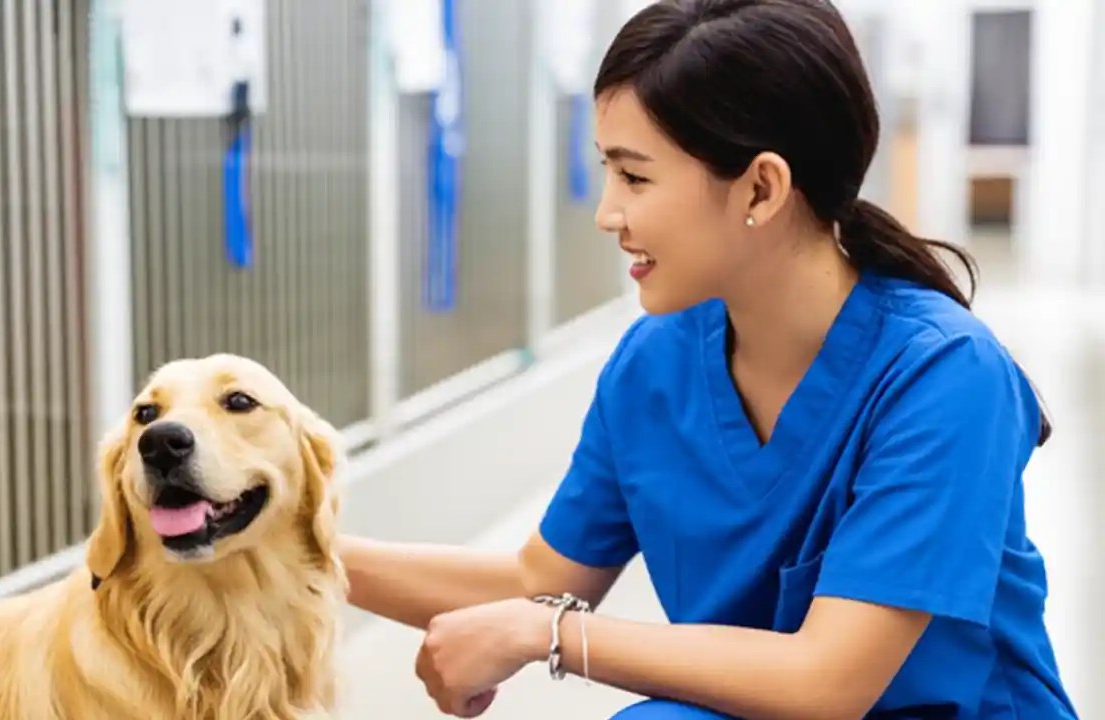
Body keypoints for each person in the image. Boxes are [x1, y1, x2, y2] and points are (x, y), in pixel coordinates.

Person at [340, 1, 1080, 718]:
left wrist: (552, 634)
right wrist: (297, 551)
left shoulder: (944, 376)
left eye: (634, 177)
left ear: (761, 187)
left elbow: (827, 682)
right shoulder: (652, 366)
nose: (607, 213)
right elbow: (538, 580)